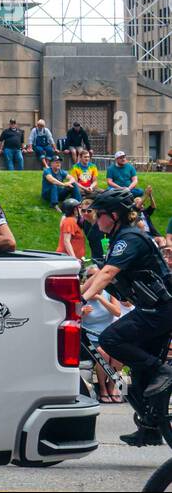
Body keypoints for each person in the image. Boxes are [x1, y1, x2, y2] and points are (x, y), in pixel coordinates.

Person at [83, 189, 172, 445]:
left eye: (98, 214)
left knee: (110, 339)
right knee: (139, 382)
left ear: (113, 215)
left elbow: (108, 273)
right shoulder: (118, 238)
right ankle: (151, 428)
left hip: (158, 310)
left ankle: (162, 369)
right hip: (153, 309)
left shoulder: (129, 238)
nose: (94, 218)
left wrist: (81, 300)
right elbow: (105, 275)